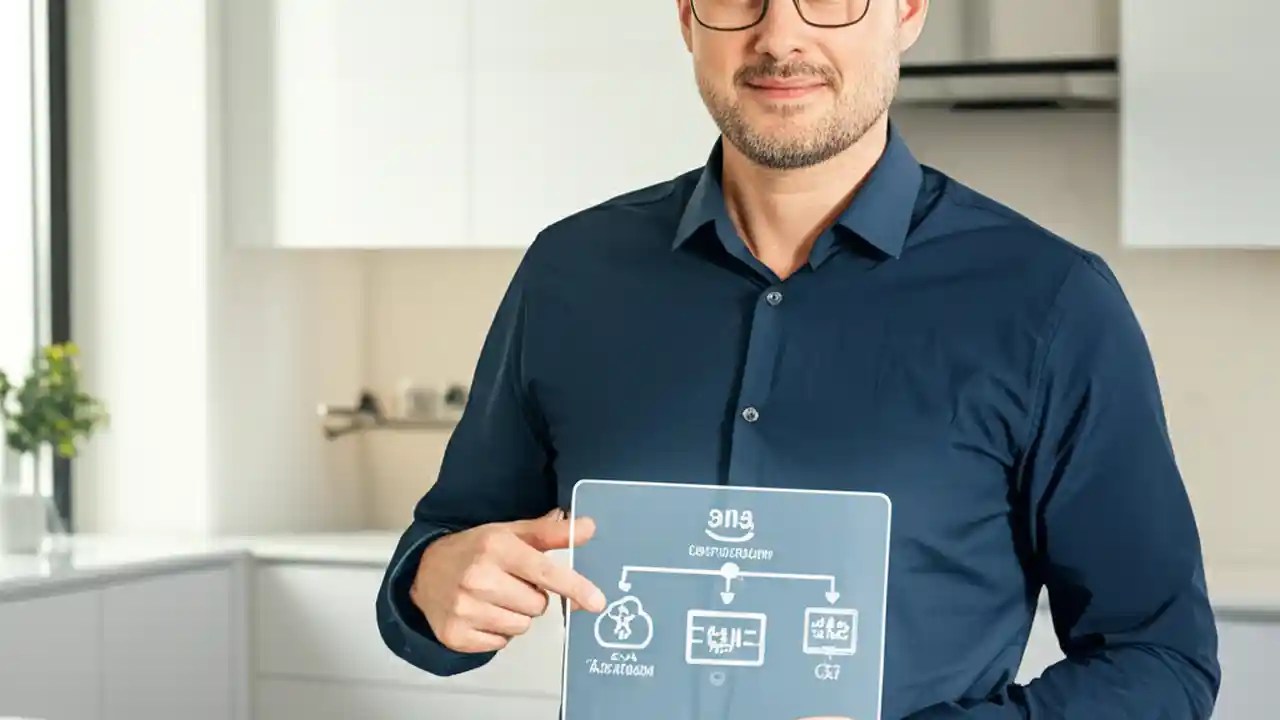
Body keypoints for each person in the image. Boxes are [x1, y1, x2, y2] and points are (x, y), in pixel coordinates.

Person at [376, 0, 1221, 717]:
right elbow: (442, 551)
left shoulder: (1052, 303)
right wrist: (434, 584)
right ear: (686, 17)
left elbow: (1161, 662)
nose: (779, 36)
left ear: (907, 11)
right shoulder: (569, 273)